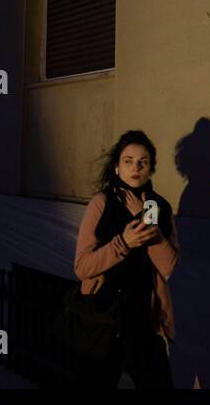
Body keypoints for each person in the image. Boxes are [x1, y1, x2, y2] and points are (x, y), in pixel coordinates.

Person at [72, 130, 179, 388]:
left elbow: (168, 265)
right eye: (128, 161)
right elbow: (82, 267)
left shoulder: (158, 208)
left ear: (151, 168)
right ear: (117, 167)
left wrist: (142, 216)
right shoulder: (102, 203)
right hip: (102, 318)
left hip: (144, 317)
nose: (136, 168)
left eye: (143, 162)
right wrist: (123, 243)